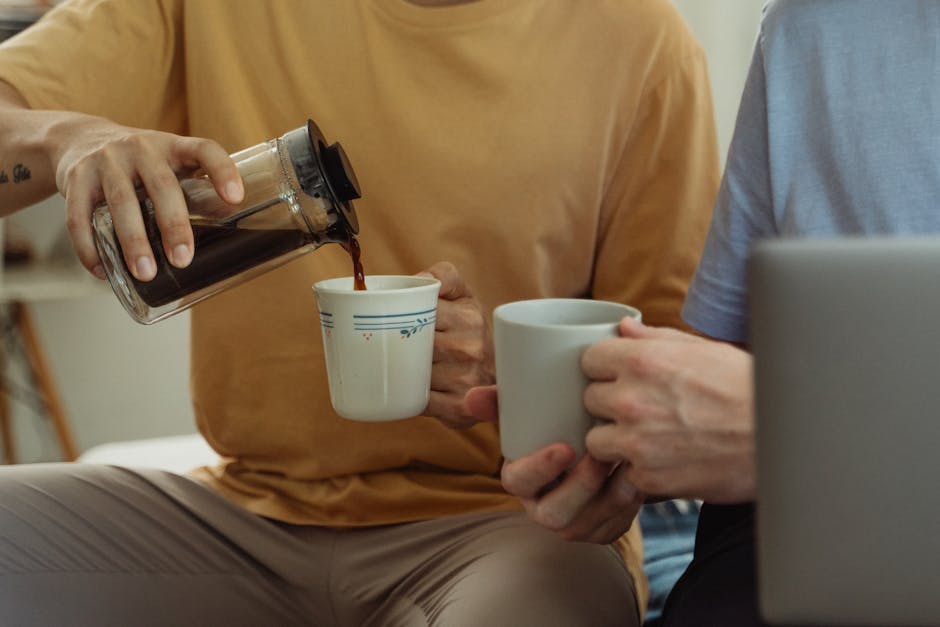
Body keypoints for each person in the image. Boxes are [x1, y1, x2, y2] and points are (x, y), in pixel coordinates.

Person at [0, 1, 721, 625]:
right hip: (244, 518)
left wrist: (514, 373)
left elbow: (677, 373)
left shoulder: (639, 41)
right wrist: (65, 141)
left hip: (505, 530)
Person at [468, 0, 940, 624]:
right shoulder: (814, 29)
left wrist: (788, 432)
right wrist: (619, 443)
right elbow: (726, 361)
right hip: (798, 521)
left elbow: (756, 415)